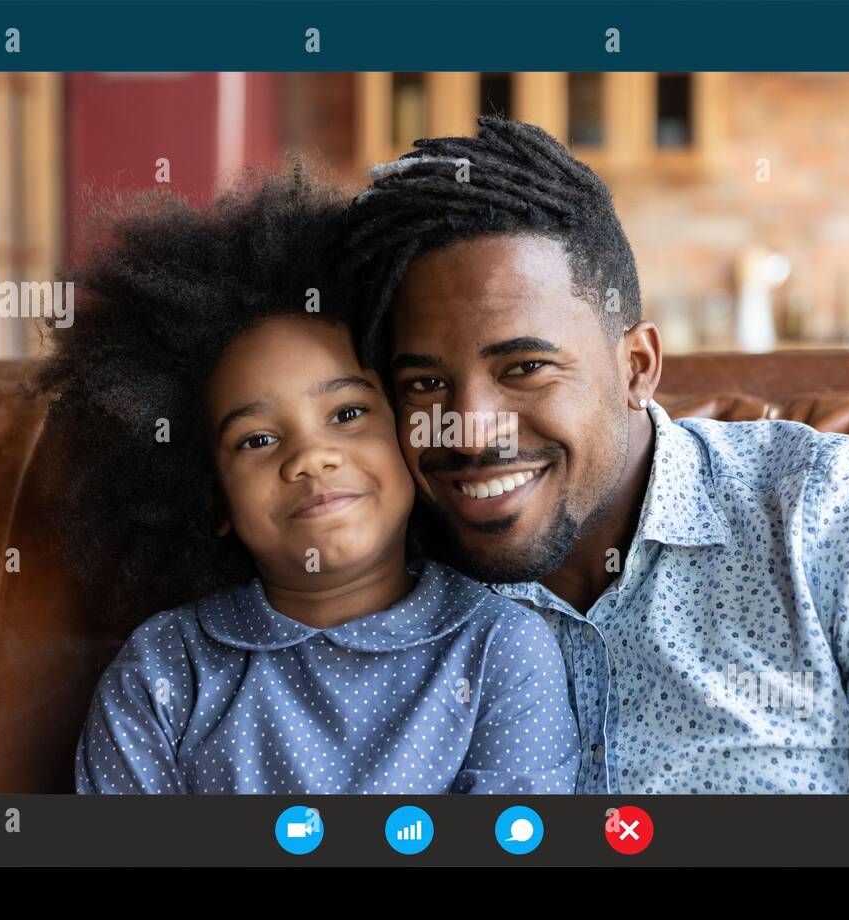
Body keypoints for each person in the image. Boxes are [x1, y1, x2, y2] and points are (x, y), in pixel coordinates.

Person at [340, 116, 849, 795]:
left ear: (637, 367)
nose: (470, 431)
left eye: (526, 368)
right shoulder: (368, 585)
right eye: (427, 383)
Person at [39, 169, 578, 794]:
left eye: (347, 415)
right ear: (212, 494)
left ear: (410, 438)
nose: (310, 458)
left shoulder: (500, 650)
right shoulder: (162, 668)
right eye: (257, 441)